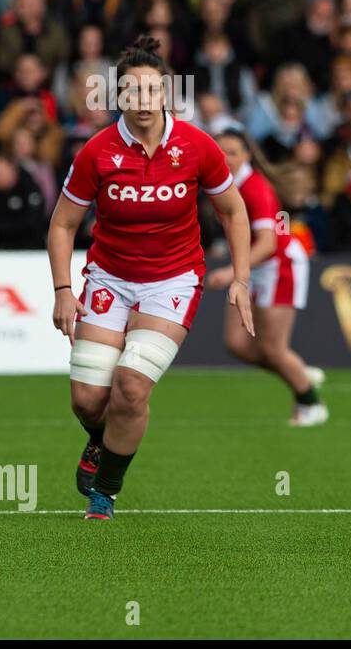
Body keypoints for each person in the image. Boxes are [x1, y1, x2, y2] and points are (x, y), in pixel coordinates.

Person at [47, 36, 255, 521]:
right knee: (87, 400)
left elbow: (233, 212)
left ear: (167, 95)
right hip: (109, 278)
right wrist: (62, 290)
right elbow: (62, 224)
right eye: (132, 93)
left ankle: (105, 493)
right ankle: (99, 442)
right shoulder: (96, 153)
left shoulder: (197, 146)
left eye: (152, 92)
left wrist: (241, 279)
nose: (143, 102)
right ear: (118, 97)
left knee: (131, 389)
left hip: (174, 281)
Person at [206, 129, 327, 427]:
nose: (226, 158)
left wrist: (232, 272)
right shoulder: (225, 184)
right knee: (236, 343)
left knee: (272, 348)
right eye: (220, 152)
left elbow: (268, 243)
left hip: (279, 264)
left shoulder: (254, 188)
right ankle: (295, 370)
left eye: (233, 152)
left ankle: (310, 403)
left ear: (247, 155)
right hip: (256, 265)